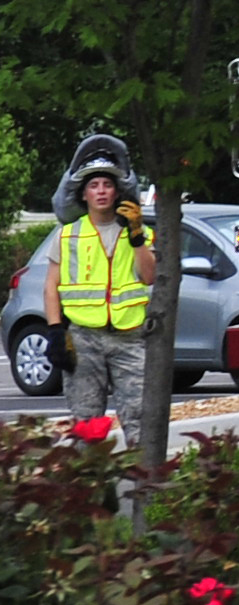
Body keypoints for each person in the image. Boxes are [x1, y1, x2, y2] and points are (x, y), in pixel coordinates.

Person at [49, 141, 154, 441]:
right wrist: (56, 331)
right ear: (83, 194)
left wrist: (137, 237)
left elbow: (149, 276)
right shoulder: (68, 234)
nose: (101, 191)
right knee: (86, 423)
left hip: (129, 338)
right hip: (84, 338)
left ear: (118, 191)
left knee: (139, 419)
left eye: (107, 184)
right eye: (93, 185)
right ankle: (91, 485)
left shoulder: (137, 232)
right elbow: (50, 287)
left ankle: (144, 485)